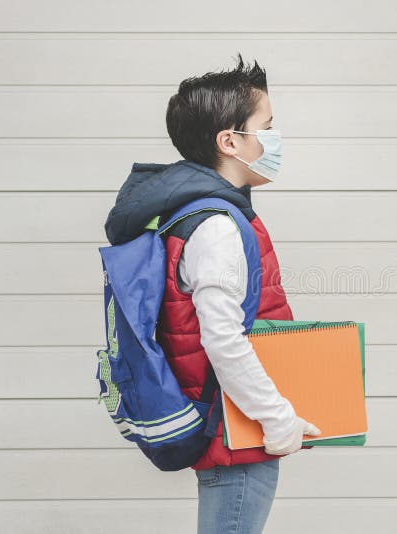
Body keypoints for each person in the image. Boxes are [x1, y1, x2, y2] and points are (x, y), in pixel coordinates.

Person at [103, 53, 320, 534]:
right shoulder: (218, 225)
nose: (275, 138)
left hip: (234, 425)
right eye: (266, 126)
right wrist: (277, 417)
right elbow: (223, 338)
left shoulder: (202, 212)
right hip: (237, 431)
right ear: (231, 141)